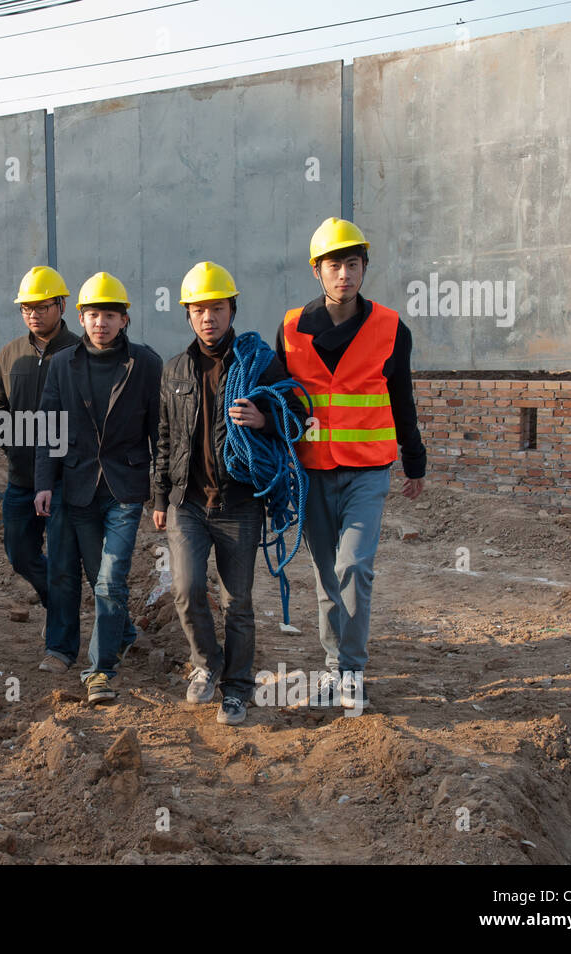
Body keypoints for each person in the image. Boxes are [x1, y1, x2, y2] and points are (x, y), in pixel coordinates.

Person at [275, 218, 427, 713]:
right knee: (324, 574)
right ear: (318, 271)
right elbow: (281, 398)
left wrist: (415, 459)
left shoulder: (389, 327)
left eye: (353, 264)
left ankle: (353, 671)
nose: (345, 274)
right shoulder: (292, 328)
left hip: (368, 471)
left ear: (364, 267)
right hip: (313, 472)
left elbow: (401, 398)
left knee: (353, 567)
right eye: (334, 265)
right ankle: (333, 664)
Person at [154, 262, 305, 725]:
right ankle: (207, 663)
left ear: (231, 309)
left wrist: (266, 420)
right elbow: (164, 437)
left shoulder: (258, 362)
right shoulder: (175, 369)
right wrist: (159, 498)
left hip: (239, 503)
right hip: (188, 502)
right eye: (199, 310)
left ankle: (237, 688)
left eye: (216, 308)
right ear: (188, 315)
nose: (208, 318)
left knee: (237, 600)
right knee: (186, 589)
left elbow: (297, 413)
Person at [34, 272, 161, 705]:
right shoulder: (62, 364)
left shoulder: (146, 364)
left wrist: (159, 495)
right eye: (93, 314)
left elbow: (159, 433)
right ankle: (124, 632)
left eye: (110, 314)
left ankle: (100, 671)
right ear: (82, 317)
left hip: (125, 487)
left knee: (109, 580)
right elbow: (48, 430)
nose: (100, 322)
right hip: (78, 486)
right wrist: (43, 484)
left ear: (124, 319)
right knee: (97, 577)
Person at [0, 266, 81, 671]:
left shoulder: (79, 351)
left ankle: (59, 648)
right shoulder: (11, 353)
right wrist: (8, 438)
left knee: (62, 563)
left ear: (61, 305)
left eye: (41, 306)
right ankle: (60, 605)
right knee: (19, 554)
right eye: (26, 308)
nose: (33, 315)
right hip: (22, 477)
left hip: (66, 481)